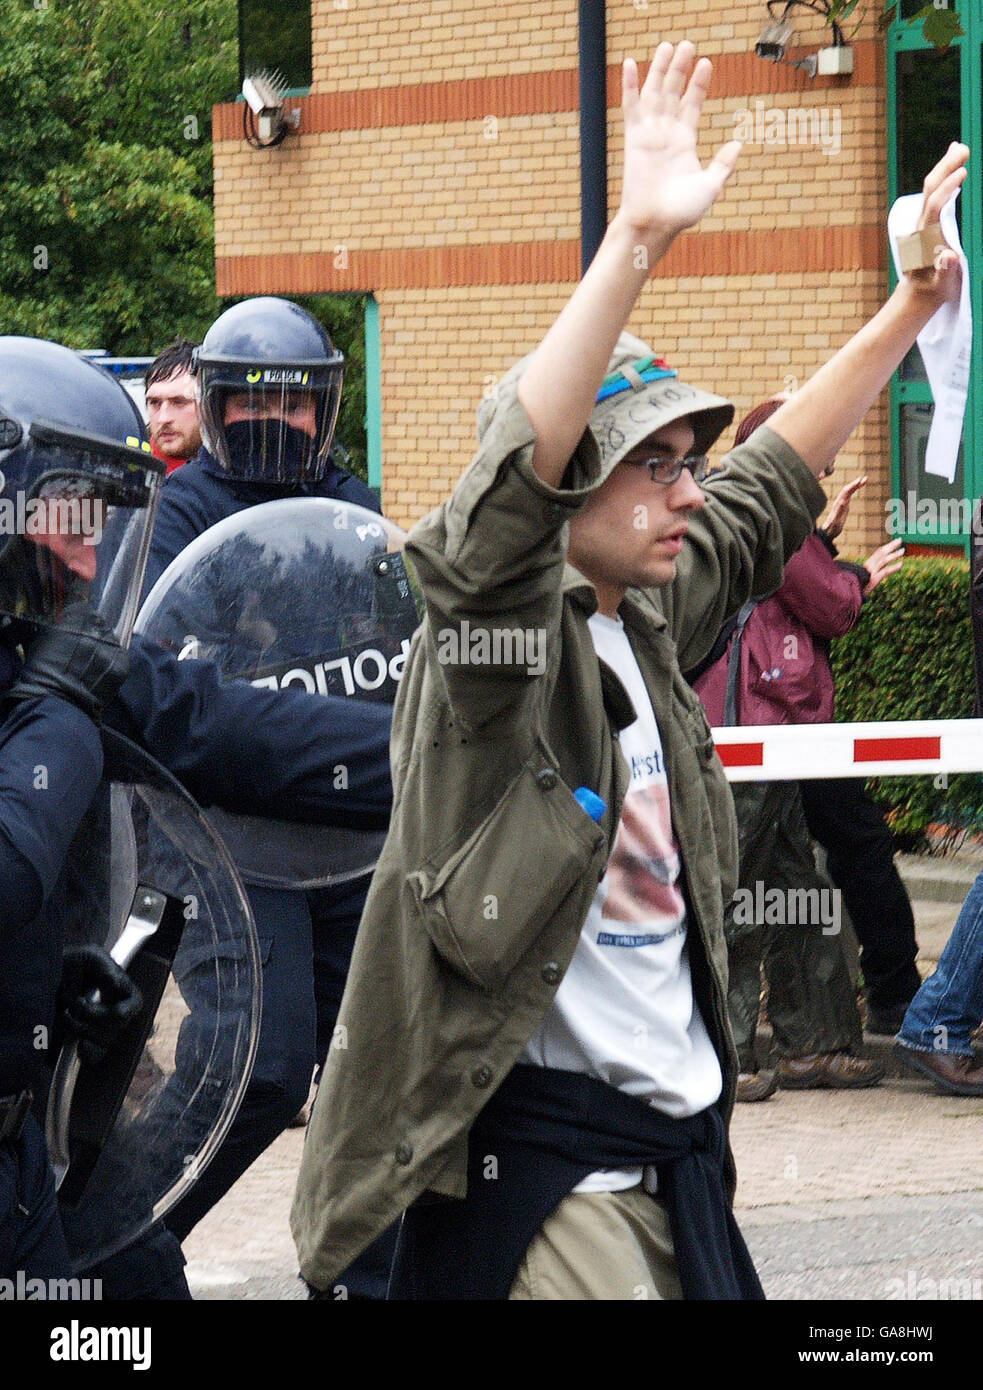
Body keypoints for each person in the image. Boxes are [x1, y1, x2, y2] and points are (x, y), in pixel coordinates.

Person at [291, 41, 969, 1300]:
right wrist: (636, 239)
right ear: (567, 494)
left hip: (678, 1168)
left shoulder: (644, 617)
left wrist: (910, 306)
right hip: (547, 1196)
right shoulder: (492, 655)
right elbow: (498, 505)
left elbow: (769, 488)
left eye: (683, 456)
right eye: (647, 463)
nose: (684, 488)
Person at [0, 336, 393, 1289]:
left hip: (25, 1143)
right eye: (71, 522)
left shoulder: (50, 654)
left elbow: (227, 726)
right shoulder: (53, 689)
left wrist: (448, 755)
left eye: (104, 525)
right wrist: (57, 716)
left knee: (139, 1291)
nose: (94, 557)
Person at [134, 297, 398, 1300]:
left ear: (324, 409)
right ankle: (118, 1237)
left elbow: (395, 646)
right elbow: (177, 699)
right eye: (253, 402)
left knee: (375, 1066)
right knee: (264, 1059)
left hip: (348, 833)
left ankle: (364, 1271)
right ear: (214, 403)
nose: (276, 425)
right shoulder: (172, 518)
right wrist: (385, 750)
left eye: (297, 407)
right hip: (220, 834)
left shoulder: (349, 509)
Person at [692, 398, 915, 1099]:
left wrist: (824, 541)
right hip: (750, 738)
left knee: (791, 891)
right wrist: (852, 573)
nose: (826, 460)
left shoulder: (767, 518)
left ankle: (811, 1044)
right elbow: (830, 605)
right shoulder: (766, 518)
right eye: (817, 448)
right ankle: (727, 1056)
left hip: (776, 739)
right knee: (738, 897)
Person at [144, 340, 202, 474]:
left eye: (179, 402)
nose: (163, 418)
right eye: (155, 402)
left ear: (210, 405)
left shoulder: (242, 471)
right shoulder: (128, 471)